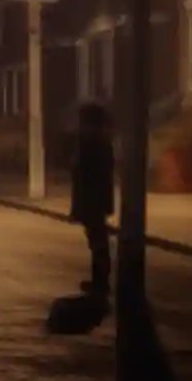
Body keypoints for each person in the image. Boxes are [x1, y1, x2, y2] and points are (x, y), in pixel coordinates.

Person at [70, 103, 115, 297]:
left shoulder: (93, 145)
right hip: (93, 201)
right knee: (96, 241)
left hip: (92, 202)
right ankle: (99, 281)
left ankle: (101, 283)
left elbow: (87, 177)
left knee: (98, 242)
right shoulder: (95, 144)